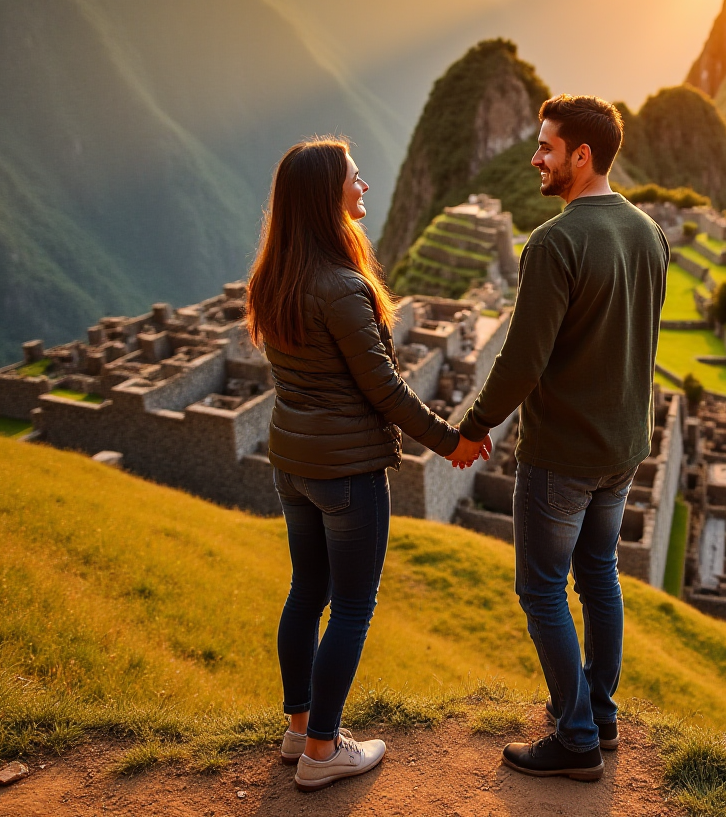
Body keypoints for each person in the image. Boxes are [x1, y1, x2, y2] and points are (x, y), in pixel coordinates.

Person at [246, 138, 491, 793]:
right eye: (355, 179)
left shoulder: (275, 278)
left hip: (293, 462)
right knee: (352, 606)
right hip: (347, 473)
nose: (364, 187)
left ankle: (300, 727)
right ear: (328, 195)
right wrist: (451, 441)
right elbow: (383, 389)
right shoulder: (342, 287)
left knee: (307, 593)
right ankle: (324, 750)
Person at [452, 95, 669, 781]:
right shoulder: (649, 233)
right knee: (599, 573)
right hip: (624, 446)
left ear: (582, 155)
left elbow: (522, 359)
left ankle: (575, 737)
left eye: (546, 147)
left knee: (542, 589)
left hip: (565, 454)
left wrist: (474, 427)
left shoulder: (555, 243)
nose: (535, 158)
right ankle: (598, 716)